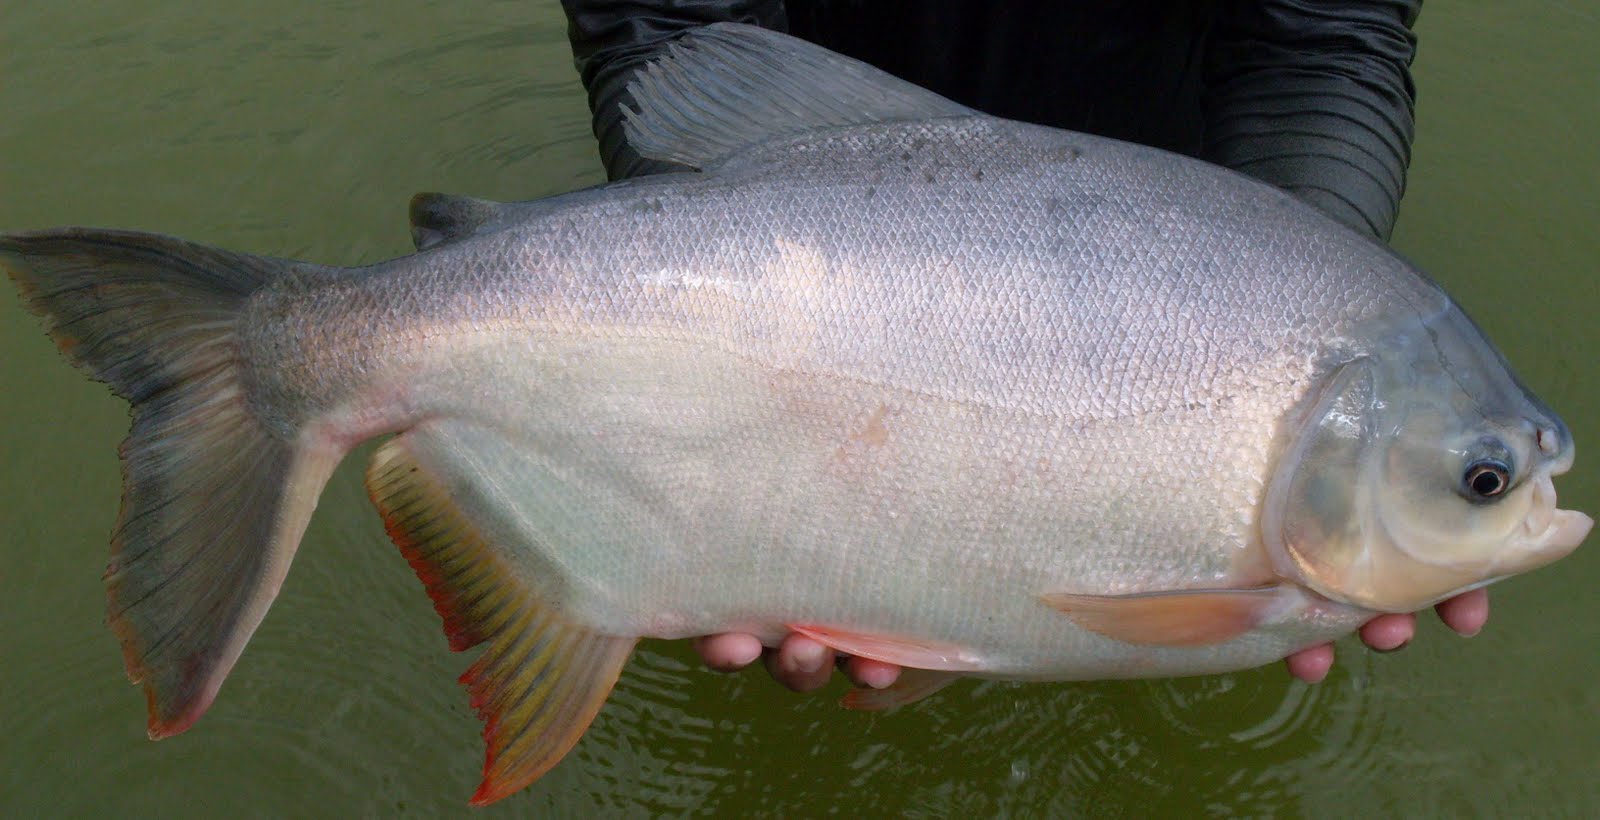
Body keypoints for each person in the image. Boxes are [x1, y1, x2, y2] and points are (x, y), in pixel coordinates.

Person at [558, 0, 1489, 694]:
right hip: (809, 168)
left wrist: (1297, 290)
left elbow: (1321, 37)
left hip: (1173, 221)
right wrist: (714, 354)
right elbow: (668, 26)